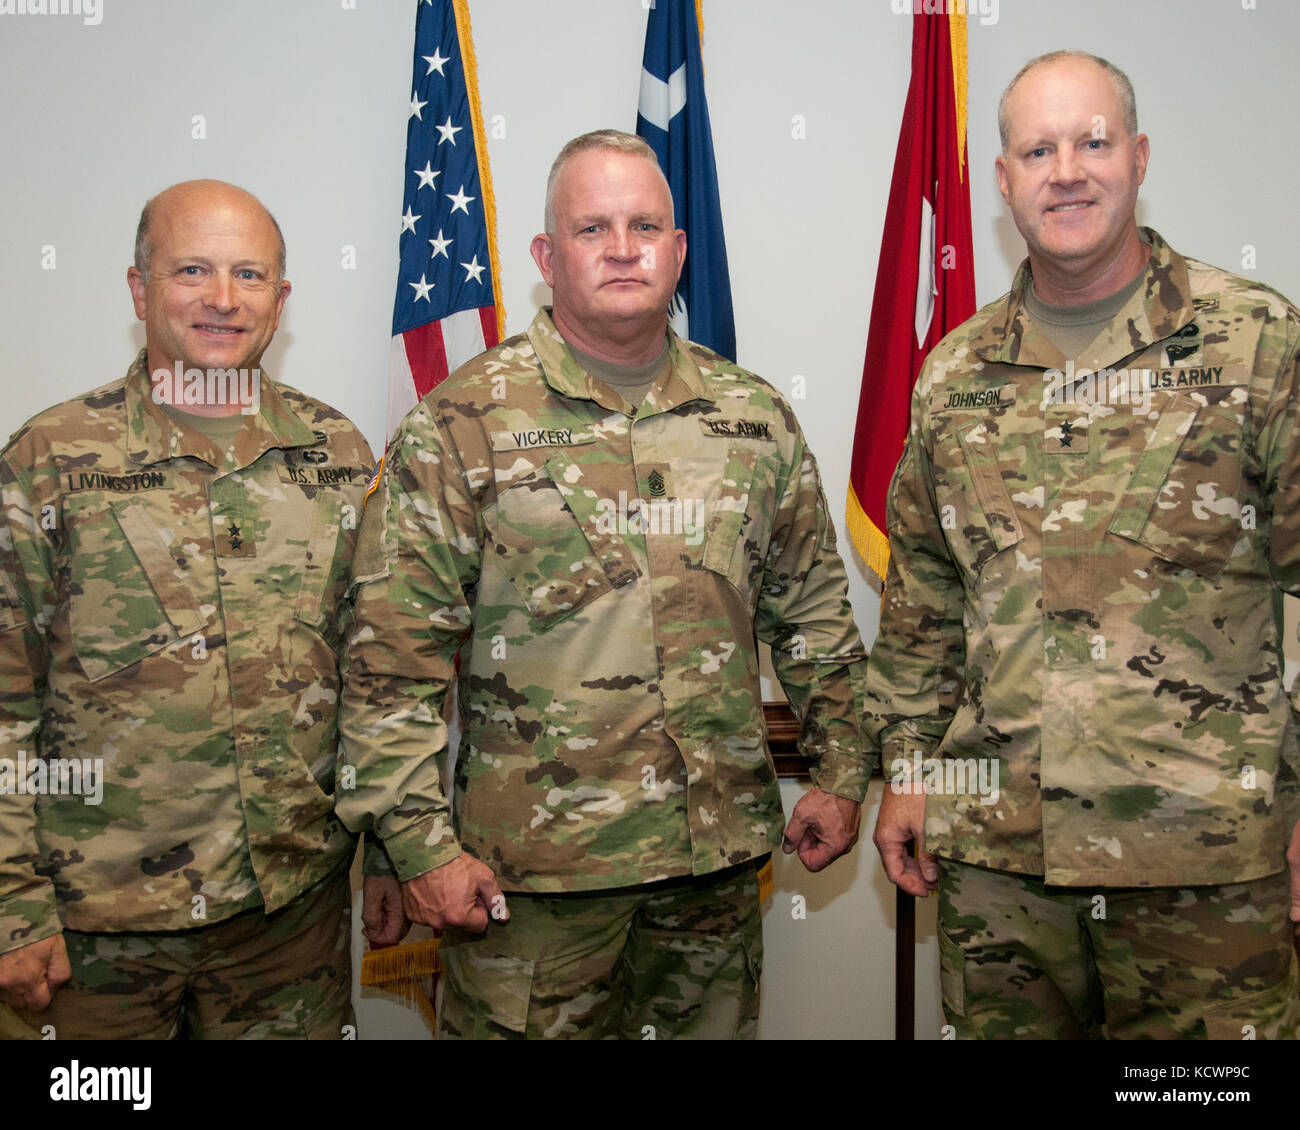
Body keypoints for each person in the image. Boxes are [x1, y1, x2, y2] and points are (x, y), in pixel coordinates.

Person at [338, 130, 869, 1040]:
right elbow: (392, 657)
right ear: (548, 257)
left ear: (678, 249)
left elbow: (811, 610)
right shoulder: (462, 423)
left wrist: (845, 769)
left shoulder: (753, 419)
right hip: (531, 891)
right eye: (593, 228)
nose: (624, 248)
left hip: (711, 874)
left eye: (645, 224)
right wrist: (419, 846)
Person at [866, 50, 1300, 1039]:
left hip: (1204, 867)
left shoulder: (1256, 342)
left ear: (1138, 157)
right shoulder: (955, 377)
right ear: (1005, 181)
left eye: (1092, 142)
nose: (1067, 169)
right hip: (1000, 864)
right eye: (1038, 148)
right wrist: (904, 770)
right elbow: (924, 606)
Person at [0, 180, 382, 1039]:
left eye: (250, 275)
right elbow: (4, 696)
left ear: (281, 301)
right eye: (192, 271)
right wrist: (10, 904)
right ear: (139, 290)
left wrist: (392, 854)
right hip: (95, 932)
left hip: (285, 922)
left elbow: (376, 676)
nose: (222, 298)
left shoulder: (337, 453)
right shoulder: (50, 458)